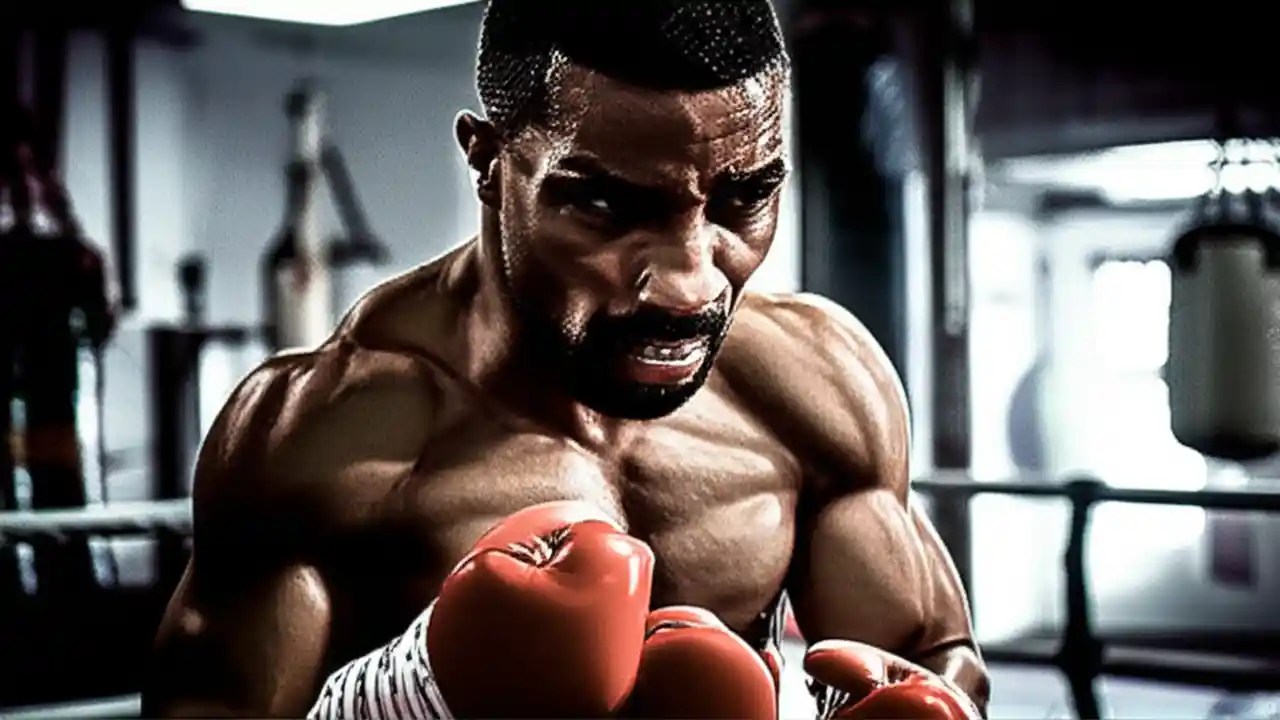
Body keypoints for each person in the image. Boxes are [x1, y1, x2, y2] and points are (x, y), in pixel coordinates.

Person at [141, 0, 990, 717]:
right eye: (603, 205)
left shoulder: (818, 382)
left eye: (744, 199)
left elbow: (931, 655)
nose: (688, 285)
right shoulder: (321, 437)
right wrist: (412, 693)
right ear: (487, 159)